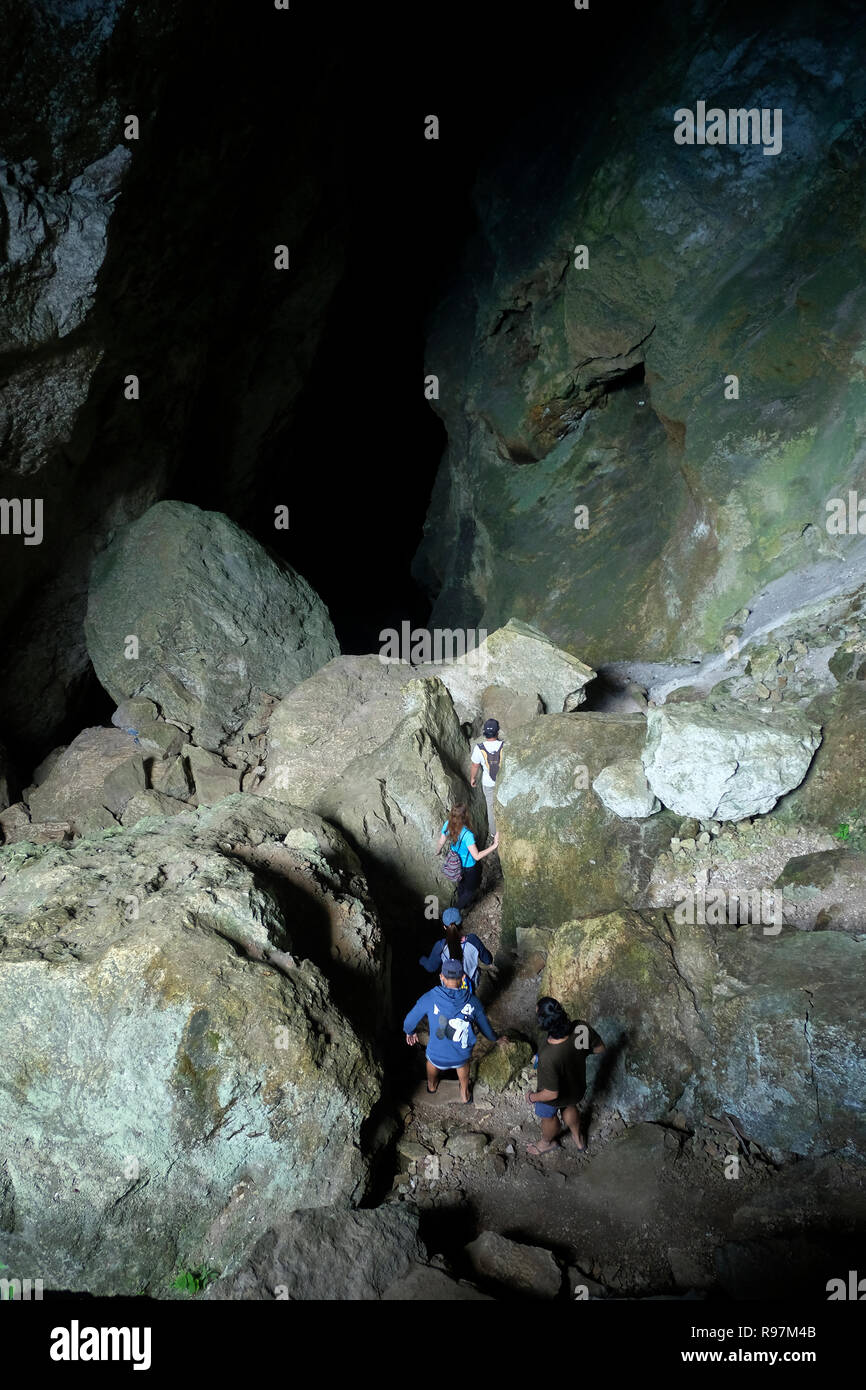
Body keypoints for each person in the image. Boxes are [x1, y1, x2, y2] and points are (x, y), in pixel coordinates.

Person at [403, 957, 505, 1103]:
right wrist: (496, 1038)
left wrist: (410, 1032)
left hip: (436, 1054)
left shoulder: (430, 997)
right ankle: (464, 1093)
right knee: (463, 1064)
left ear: (441, 977)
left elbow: (409, 1022)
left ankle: (431, 1086)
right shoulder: (473, 1001)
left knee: (431, 1061)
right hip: (461, 1056)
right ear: (463, 977)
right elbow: (485, 1028)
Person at [525, 996, 605, 1156]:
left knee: (547, 1115)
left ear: (544, 1024)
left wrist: (532, 1097)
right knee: (570, 1106)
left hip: (555, 1096)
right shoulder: (580, 1028)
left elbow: (551, 1093)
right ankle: (578, 1139)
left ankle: (546, 1143)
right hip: (576, 1088)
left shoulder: (548, 1055)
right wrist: (578, 1053)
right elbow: (599, 1048)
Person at [436, 803, 498, 911]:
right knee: (471, 890)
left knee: (462, 884)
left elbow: (441, 841)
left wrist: (438, 851)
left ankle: (463, 903)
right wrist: (494, 846)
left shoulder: (448, 824)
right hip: (469, 866)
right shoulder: (467, 835)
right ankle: (456, 909)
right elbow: (477, 856)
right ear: (465, 816)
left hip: (457, 863)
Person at [419, 906, 494, 992]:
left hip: (450, 987)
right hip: (470, 985)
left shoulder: (440, 946)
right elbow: (488, 960)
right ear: (461, 923)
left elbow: (431, 967)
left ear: (444, 927)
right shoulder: (473, 940)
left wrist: (422, 959)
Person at [470, 718, 504, 842]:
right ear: (497, 731)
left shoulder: (479, 748)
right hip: (502, 782)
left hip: (488, 783)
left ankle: (494, 834)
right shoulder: (504, 745)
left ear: (484, 732)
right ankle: (506, 830)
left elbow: (475, 766)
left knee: (491, 807)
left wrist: (473, 778)